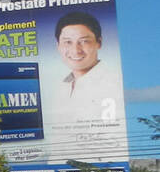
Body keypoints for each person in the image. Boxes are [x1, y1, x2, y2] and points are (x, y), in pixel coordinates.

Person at [46, 11, 127, 162]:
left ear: (99, 42)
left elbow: (113, 142)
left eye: (84, 41)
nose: (76, 50)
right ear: (58, 45)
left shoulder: (112, 83)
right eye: (67, 42)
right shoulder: (60, 87)